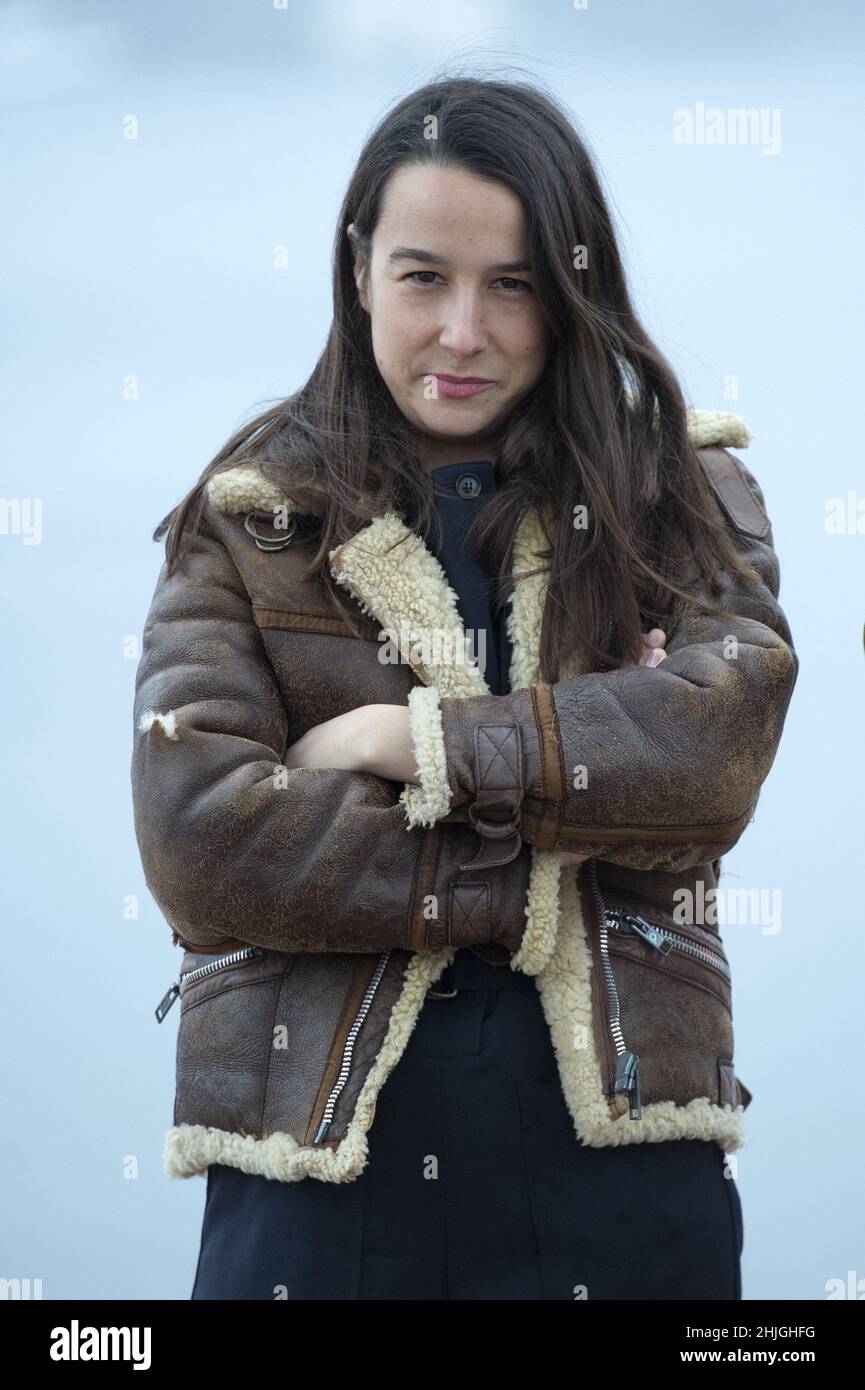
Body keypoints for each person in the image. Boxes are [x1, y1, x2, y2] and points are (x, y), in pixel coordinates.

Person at [132, 75, 798, 1300]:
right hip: (314, 1191)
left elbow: (716, 751)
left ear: (570, 288)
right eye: (423, 275)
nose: (461, 332)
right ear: (357, 266)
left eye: (515, 284)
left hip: (625, 1181)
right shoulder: (247, 517)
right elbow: (200, 838)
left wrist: (410, 738)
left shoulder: (676, 493)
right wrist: (571, 804)